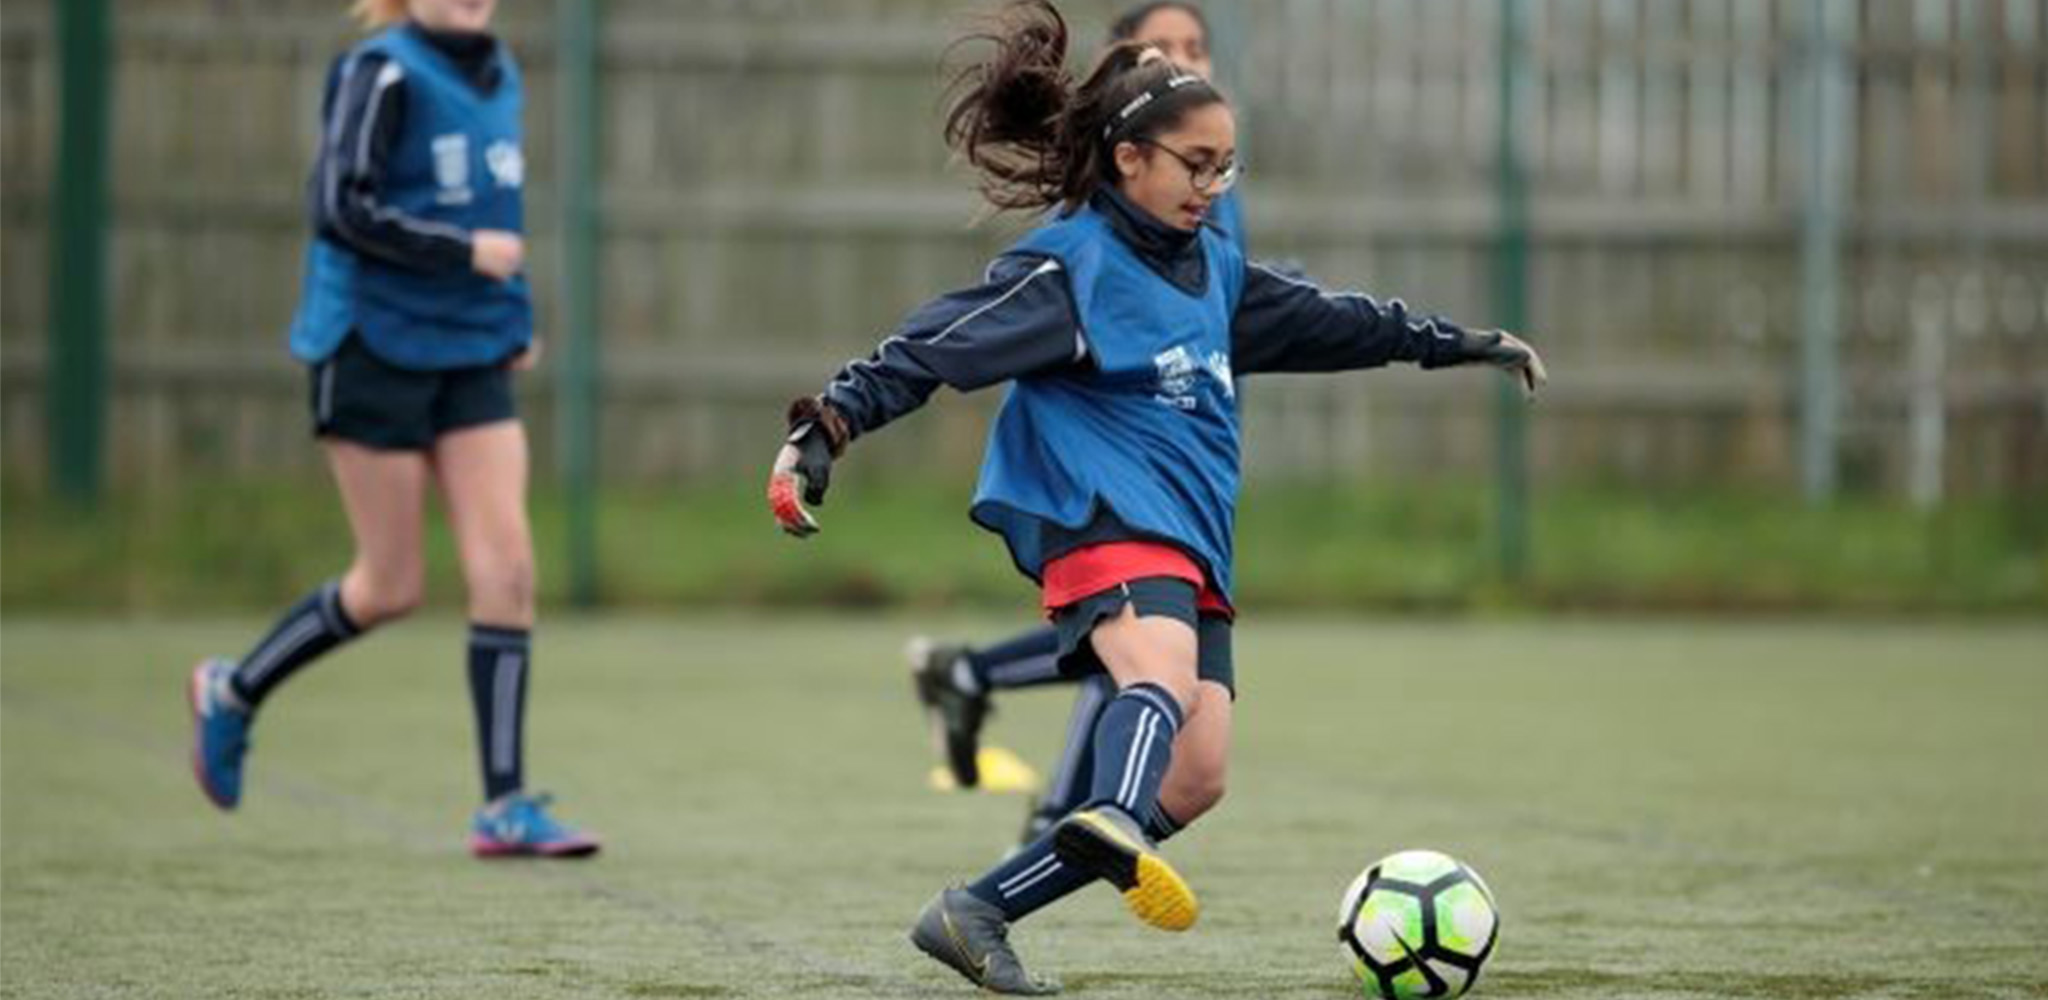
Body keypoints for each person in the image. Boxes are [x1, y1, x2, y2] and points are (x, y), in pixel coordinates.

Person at [768, 1, 1544, 991]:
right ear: (1129, 157)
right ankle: (1111, 819)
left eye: (1227, 166)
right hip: (1097, 512)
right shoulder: (1069, 269)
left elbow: (1340, 321)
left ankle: (975, 910)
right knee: (1160, 676)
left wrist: (1457, 342)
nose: (1212, 185)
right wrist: (825, 425)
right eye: (1195, 164)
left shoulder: (1215, 268)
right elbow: (932, 344)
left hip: (1189, 536)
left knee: (1200, 767)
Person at [186, 0, 598, 859]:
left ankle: (505, 805)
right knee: (390, 584)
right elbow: (340, 207)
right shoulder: (382, 70)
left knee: (509, 570)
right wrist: (462, 256)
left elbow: (502, 218)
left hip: (473, 348)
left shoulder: (503, 70)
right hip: (372, 343)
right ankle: (235, 692)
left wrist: (514, 312)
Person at [904, 2, 1226, 848]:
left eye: (1197, 47)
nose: (1185, 59)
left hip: (1185, 472)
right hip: (1105, 482)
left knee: (1159, 674)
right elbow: (956, 336)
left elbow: (1248, 296)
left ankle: (972, 676)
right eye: (1164, 47)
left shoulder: (1210, 192)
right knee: (1145, 649)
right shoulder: (1084, 250)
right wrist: (831, 415)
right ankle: (1067, 822)